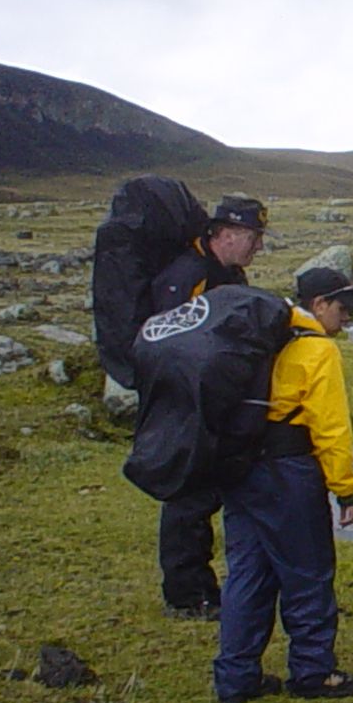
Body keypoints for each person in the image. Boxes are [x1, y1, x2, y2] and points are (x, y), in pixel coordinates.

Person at [214, 266, 353, 703]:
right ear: (318, 304)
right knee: (308, 571)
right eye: (342, 308)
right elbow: (331, 427)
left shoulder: (261, 337)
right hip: (288, 470)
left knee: (247, 572)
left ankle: (236, 678)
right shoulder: (316, 350)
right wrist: (345, 489)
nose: (347, 319)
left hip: (240, 465)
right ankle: (314, 671)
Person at [149, 194, 268, 620]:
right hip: (186, 405)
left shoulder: (229, 275)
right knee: (188, 497)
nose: (258, 247)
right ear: (228, 234)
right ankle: (185, 594)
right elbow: (169, 341)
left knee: (209, 492)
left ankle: (203, 588)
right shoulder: (189, 275)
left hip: (219, 404)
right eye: (254, 238)